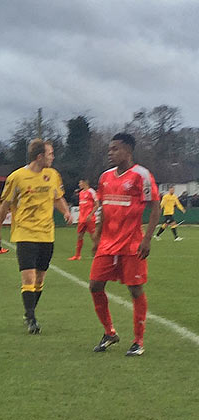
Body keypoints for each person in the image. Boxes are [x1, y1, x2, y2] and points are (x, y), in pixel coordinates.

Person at [89, 133, 160, 357]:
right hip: (107, 244)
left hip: (132, 244)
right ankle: (109, 333)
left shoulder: (142, 175)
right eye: (109, 149)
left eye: (115, 149)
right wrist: (98, 235)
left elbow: (155, 207)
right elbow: (101, 207)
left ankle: (138, 341)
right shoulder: (105, 177)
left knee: (135, 289)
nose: (110, 153)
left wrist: (147, 239)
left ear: (128, 151)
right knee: (95, 286)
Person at [0, 138, 71, 334]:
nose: (53, 157)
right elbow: (5, 206)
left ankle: (29, 311)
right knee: (28, 277)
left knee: (40, 278)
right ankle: (32, 318)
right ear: (39, 156)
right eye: (50, 154)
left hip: (47, 234)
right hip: (25, 233)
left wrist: (66, 212)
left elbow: (58, 198)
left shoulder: (53, 175)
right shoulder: (17, 177)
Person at [68, 179, 99, 260]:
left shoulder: (91, 191)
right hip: (82, 219)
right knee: (79, 236)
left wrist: (91, 214)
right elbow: (82, 206)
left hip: (90, 219)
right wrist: (79, 216)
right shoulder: (81, 193)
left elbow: (97, 204)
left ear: (85, 182)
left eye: (80, 182)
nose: (79, 184)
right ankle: (77, 255)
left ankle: (98, 254)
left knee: (93, 237)